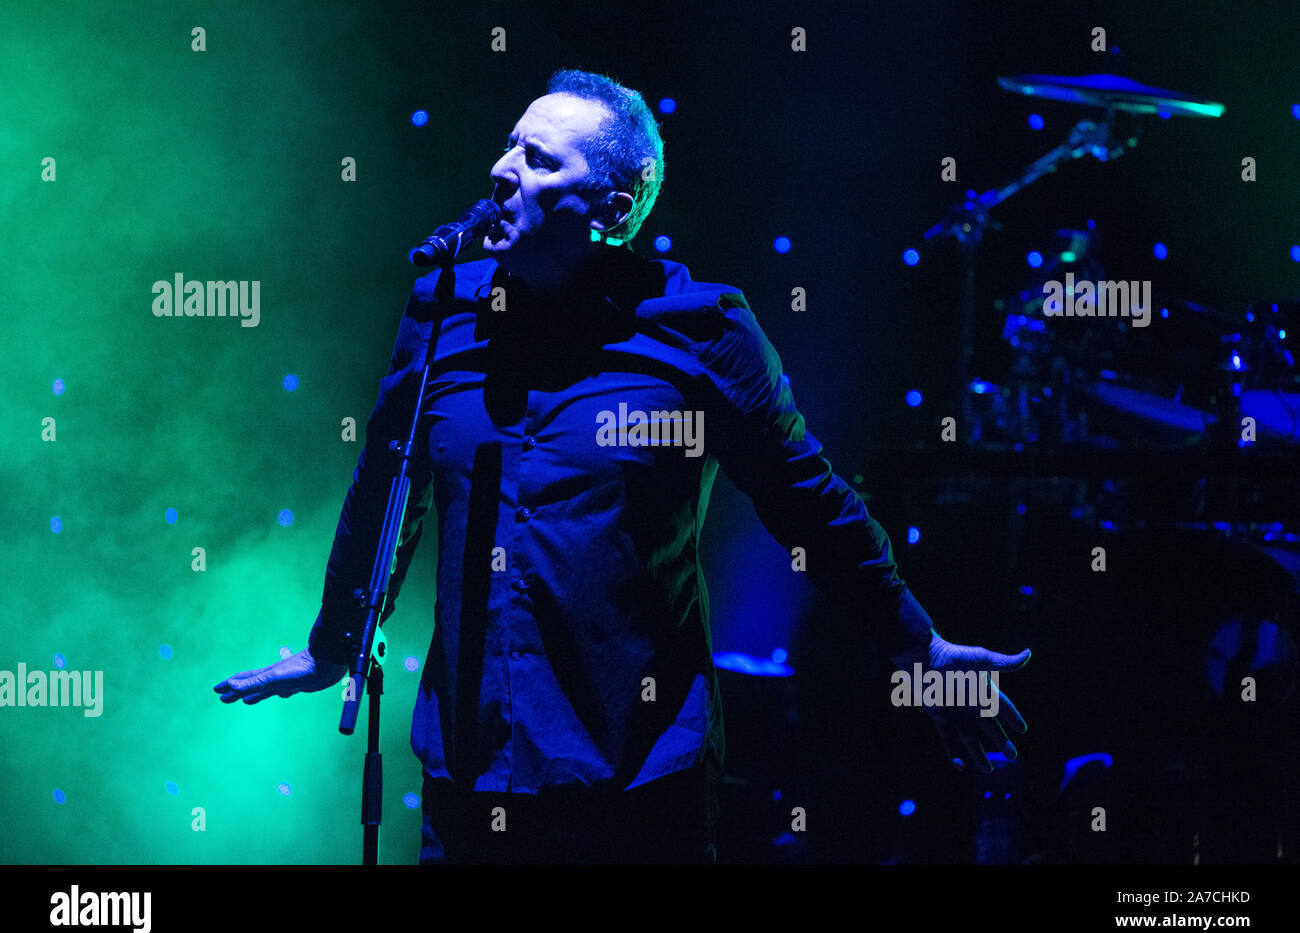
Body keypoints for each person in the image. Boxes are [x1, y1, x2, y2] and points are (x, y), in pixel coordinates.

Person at [214, 68, 1030, 864]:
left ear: (612, 209)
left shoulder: (702, 331)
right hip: (471, 770)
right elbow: (387, 482)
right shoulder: (443, 309)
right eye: (510, 145)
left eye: (539, 160)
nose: (502, 170)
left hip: (637, 783)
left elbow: (808, 502)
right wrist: (338, 641)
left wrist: (916, 645)